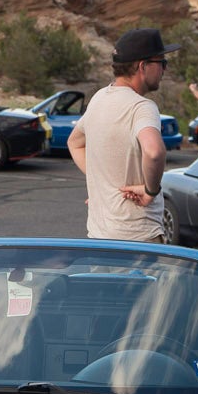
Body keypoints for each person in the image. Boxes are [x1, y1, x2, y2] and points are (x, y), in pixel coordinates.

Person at [72, 27, 178, 242]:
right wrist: (150, 190)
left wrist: (101, 183)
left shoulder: (99, 98)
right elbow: (155, 152)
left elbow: (75, 143)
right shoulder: (142, 107)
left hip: (99, 236)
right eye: (162, 63)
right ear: (143, 66)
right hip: (137, 239)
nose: (164, 70)